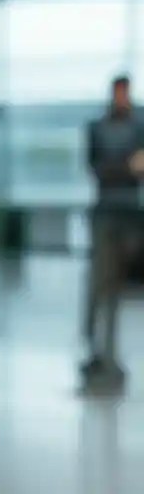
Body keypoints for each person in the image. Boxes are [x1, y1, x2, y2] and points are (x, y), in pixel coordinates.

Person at [83, 75, 144, 392]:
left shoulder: (138, 127)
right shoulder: (98, 128)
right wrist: (126, 168)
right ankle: (94, 345)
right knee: (100, 283)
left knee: (117, 285)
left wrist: (120, 169)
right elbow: (98, 170)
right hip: (105, 214)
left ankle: (109, 350)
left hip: (130, 215)